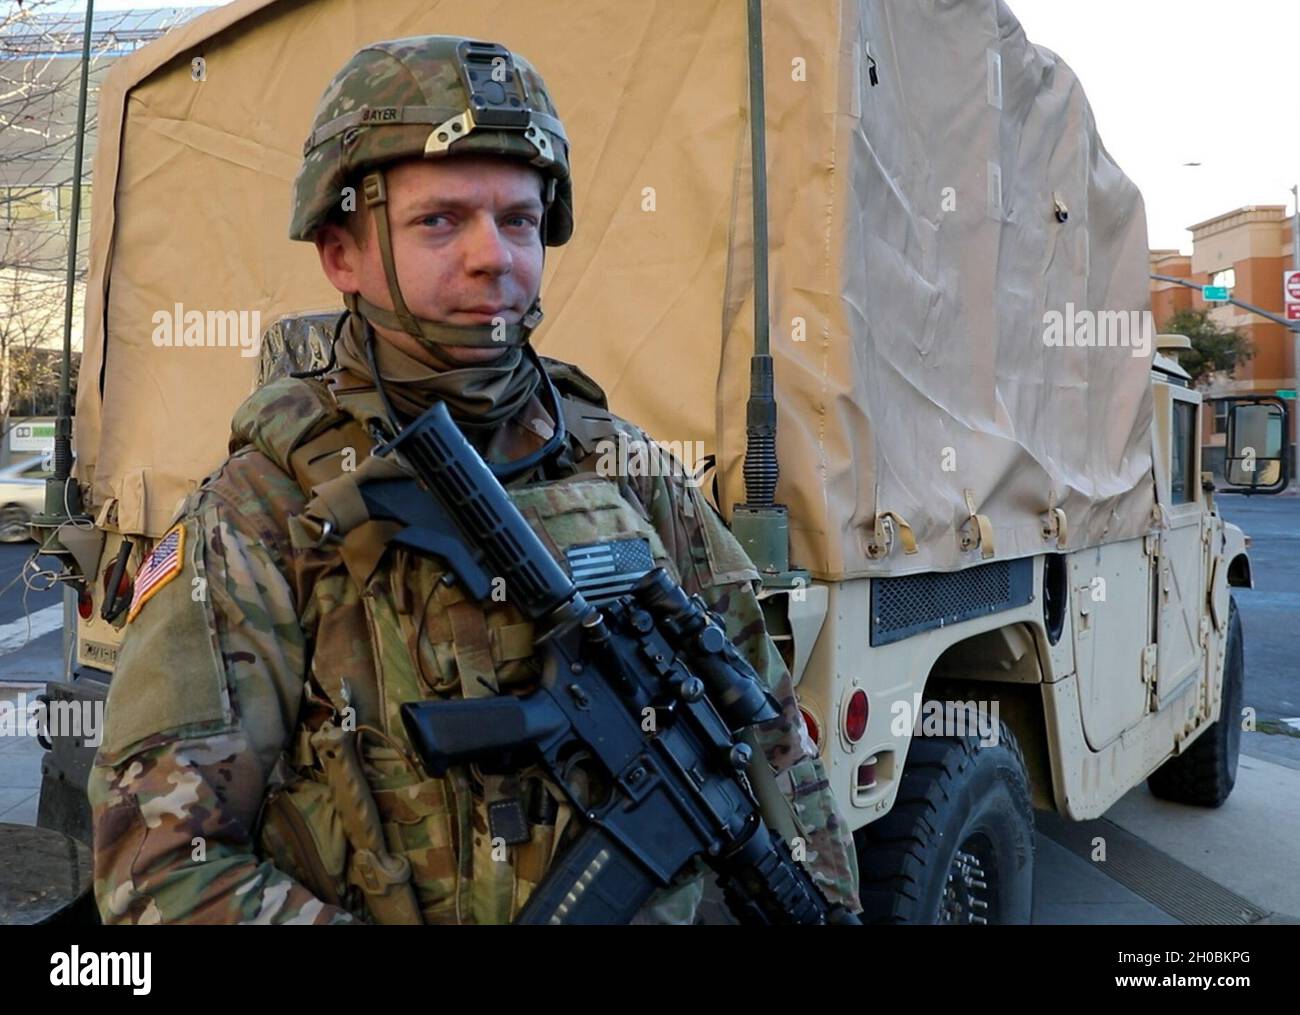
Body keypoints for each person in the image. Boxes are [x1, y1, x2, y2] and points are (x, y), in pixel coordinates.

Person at [88, 34, 860, 925]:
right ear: (342, 253)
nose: (495, 257)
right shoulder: (260, 513)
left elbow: (769, 736)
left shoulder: (623, 467)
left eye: (520, 220)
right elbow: (160, 871)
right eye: (441, 220)